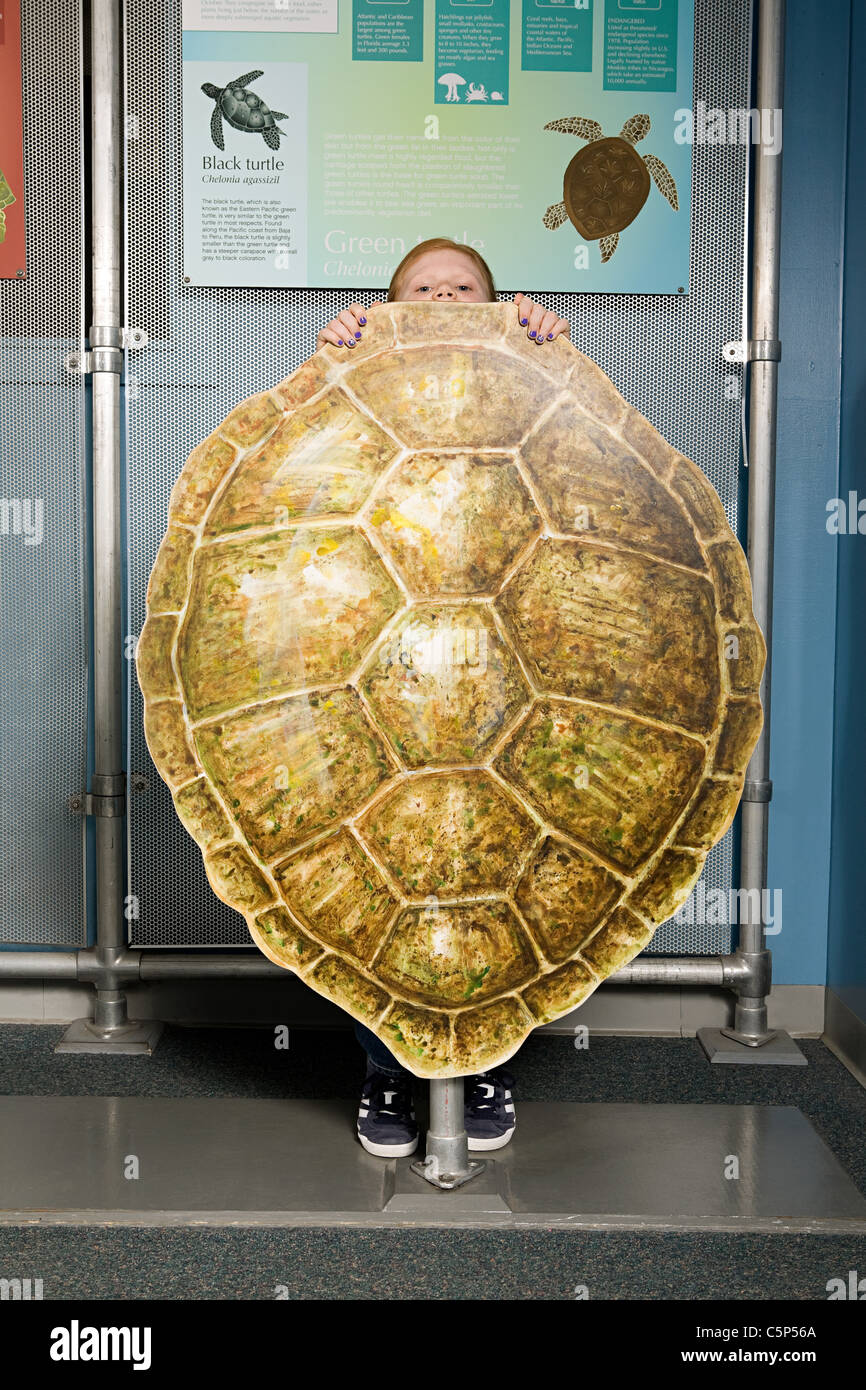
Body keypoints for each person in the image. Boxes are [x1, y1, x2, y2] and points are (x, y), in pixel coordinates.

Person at [316, 238, 571, 1159]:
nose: (445, 295)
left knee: (507, 863)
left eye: (465, 285)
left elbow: (593, 475)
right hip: (382, 669)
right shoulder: (351, 367)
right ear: (389, 306)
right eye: (422, 288)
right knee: (380, 871)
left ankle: (486, 1058)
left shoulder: (530, 367)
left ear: (495, 302)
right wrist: (332, 355)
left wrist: (546, 346)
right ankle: (387, 1074)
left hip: (511, 670)